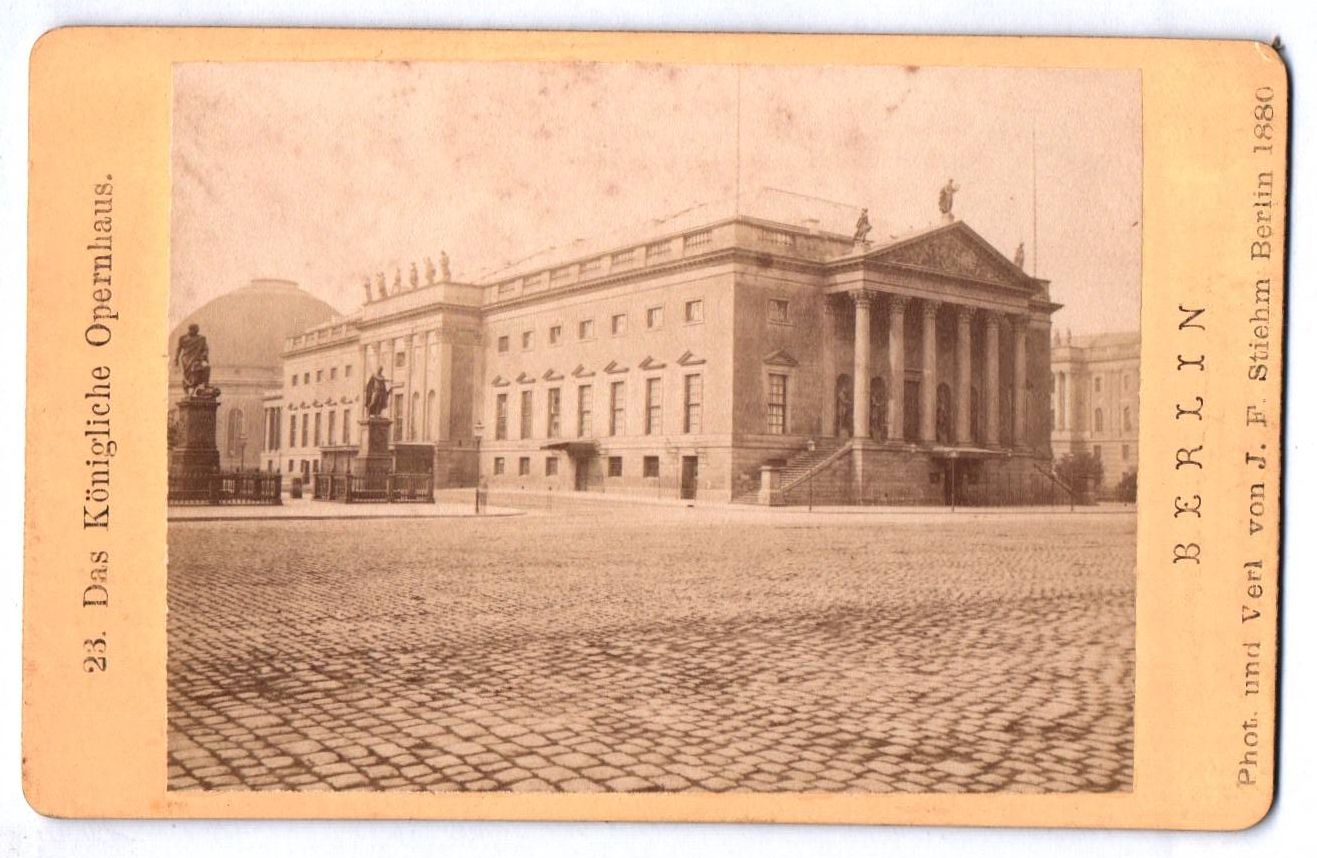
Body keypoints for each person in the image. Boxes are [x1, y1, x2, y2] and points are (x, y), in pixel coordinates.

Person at [174, 323, 212, 396]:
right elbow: (178, 349)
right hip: (186, 359)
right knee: (187, 375)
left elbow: (206, 349)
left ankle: (206, 384)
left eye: (197, 330)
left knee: (206, 367)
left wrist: (204, 355)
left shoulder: (201, 338)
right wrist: (176, 359)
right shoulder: (182, 338)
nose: (197, 331)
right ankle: (186, 391)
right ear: (190, 330)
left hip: (198, 359)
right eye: (195, 330)